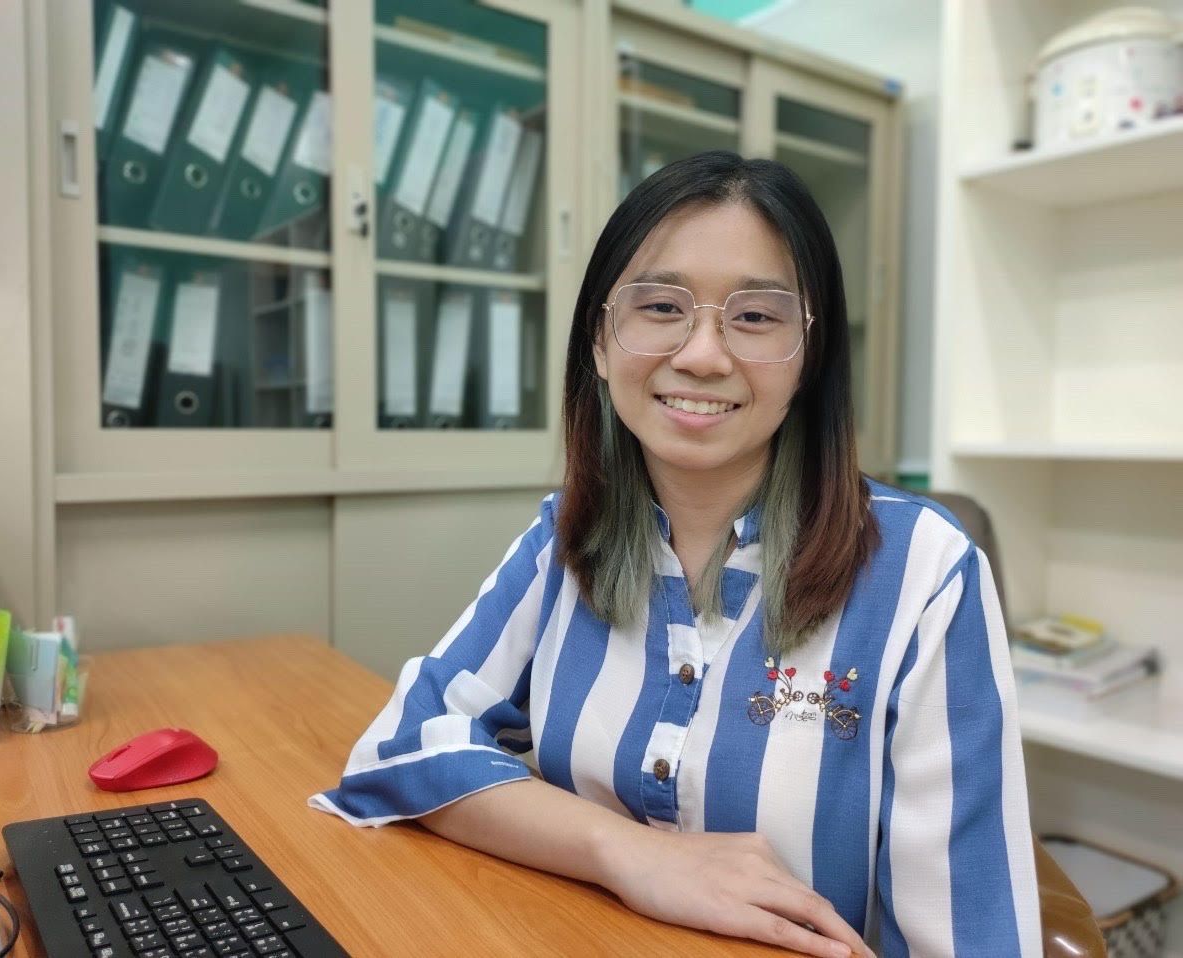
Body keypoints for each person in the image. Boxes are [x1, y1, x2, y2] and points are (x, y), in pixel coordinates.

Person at [311, 151, 1041, 958]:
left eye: (756, 317)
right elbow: (402, 746)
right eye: (661, 306)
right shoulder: (564, 539)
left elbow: (973, 939)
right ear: (599, 339)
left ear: (810, 355)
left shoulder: (926, 574)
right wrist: (630, 852)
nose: (701, 354)